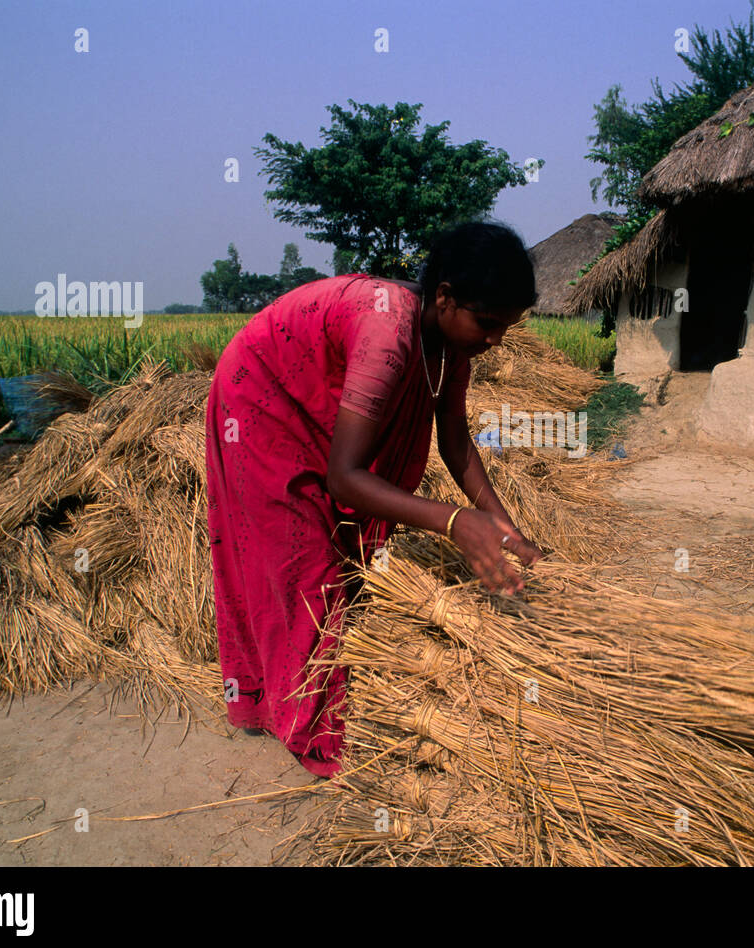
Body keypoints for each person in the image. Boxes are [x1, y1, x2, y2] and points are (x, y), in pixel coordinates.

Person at [204, 221, 545, 776]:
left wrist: (505, 528)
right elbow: (345, 476)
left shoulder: (449, 349)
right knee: (301, 564)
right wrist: (455, 521)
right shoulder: (388, 329)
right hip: (261, 403)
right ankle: (307, 733)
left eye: (503, 329)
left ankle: (286, 691)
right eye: (487, 324)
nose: (494, 341)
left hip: (316, 410)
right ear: (445, 298)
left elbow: (456, 443)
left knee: (343, 558)